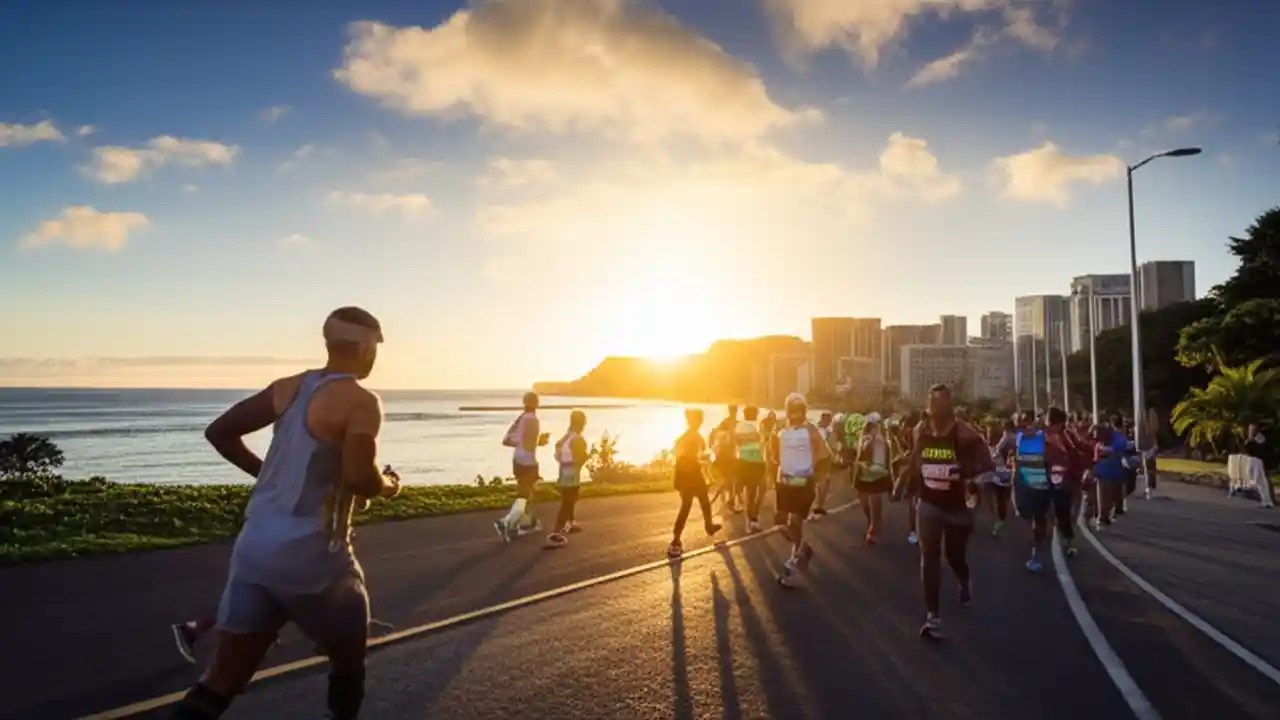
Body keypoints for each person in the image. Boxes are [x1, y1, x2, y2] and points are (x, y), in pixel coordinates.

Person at [168, 307, 399, 720]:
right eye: (375, 348)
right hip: (314, 553)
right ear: (365, 347)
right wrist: (389, 484)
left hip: (254, 549)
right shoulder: (362, 402)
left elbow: (218, 432)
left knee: (219, 682)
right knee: (349, 661)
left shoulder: (288, 388)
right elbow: (359, 477)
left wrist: (268, 477)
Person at [912, 384, 993, 639]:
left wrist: (973, 483)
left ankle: (964, 579)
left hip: (958, 507)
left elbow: (988, 469)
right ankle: (933, 617)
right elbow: (916, 460)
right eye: (931, 401)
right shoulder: (920, 431)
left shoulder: (968, 435)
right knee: (929, 558)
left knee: (954, 556)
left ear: (949, 404)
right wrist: (908, 482)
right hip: (928, 504)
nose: (934, 407)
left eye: (939, 402)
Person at [770, 393, 828, 588]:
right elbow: (775, 456)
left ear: (804, 411)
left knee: (795, 522)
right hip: (784, 483)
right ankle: (803, 547)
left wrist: (813, 469)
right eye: (792, 410)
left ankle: (793, 567)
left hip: (804, 483)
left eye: (799, 410)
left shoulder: (811, 430)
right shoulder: (782, 430)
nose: (795, 414)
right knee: (780, 523)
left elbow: (823, 453)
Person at [495, 392, 549, 542]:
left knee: (526, 494)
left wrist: (527, 444)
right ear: (537, 404)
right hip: (528, 461)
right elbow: (526, 443)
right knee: (524, 495)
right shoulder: (533, 420)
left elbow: (508, 440)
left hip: (518, 460)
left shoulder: (521, 419)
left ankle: (517, 526)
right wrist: (538, 442)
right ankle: (505, 522)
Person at [669, 409, 723, 557]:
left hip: (692, 473)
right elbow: (685, 458)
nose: (698, 423)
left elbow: (696, 457)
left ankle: (708, 526)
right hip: (687, 474)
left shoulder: (693, 437)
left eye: (699, 420)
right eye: (696, 420)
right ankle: (675, 540)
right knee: (687, 506)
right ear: (690, 421)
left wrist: (706, 472)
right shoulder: (689, 438)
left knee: (703, 501)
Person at [546, 410, 589, 548]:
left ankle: (571, 523)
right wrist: (588, 456)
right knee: (568, 502)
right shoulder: (579, 439)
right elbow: (579, 460)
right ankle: (555, 533)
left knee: (569, 499)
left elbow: (557, 451)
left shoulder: (566, 437)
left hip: (563, 473)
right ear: (582, 423)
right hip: (573, 475)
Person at [855, 413, 893, 544]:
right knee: (864, 501)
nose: (875, 427)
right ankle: (871, 522)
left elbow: (889, 456)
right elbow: (860, 455)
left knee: (875, 500)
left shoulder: (884, 438)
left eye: (877, 424)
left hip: (879, 473)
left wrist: (890, 475)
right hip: (865, 473)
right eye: (872, 425)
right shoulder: (865, 438)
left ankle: (874, 527)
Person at [735, 406, 768, 533]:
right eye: (756, 413)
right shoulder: (757, 426)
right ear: (754, 414)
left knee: (751, 492)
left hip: (743, 460)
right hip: (756, 461)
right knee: (758, 491)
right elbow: (762, 441)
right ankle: (752, 519)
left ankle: (751, 519)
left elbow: (737, 443)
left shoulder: (739, 427)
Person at [1092, 421, 1129, 528]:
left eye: (1101, 437)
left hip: (1116, 472)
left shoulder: (1117, 437)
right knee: (1103, 494)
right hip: (1102, 473)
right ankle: (1102, 516)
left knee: (1115, 496)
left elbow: (1122, 444)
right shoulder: (1098, 442)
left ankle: (1113, 509)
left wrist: (1109, 449)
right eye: (1097, 438)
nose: (1100, 440)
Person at [987, 419, 1017, 538]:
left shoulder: (1004, 441)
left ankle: (1000, 522)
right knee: (1002, 499)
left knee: (999, 499)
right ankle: (1001, 520)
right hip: (1007, 472)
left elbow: (994, 457)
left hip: (1000, 474)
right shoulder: (1012, 439)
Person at [811, 411, 837, 518]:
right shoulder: (826, 431)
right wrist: (833, 457)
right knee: (824, 481)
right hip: (822, 459)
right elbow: (827, 446)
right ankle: (818, 506)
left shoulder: (815, 429)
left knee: (818, 482)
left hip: (814, 458)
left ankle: (817, 505)